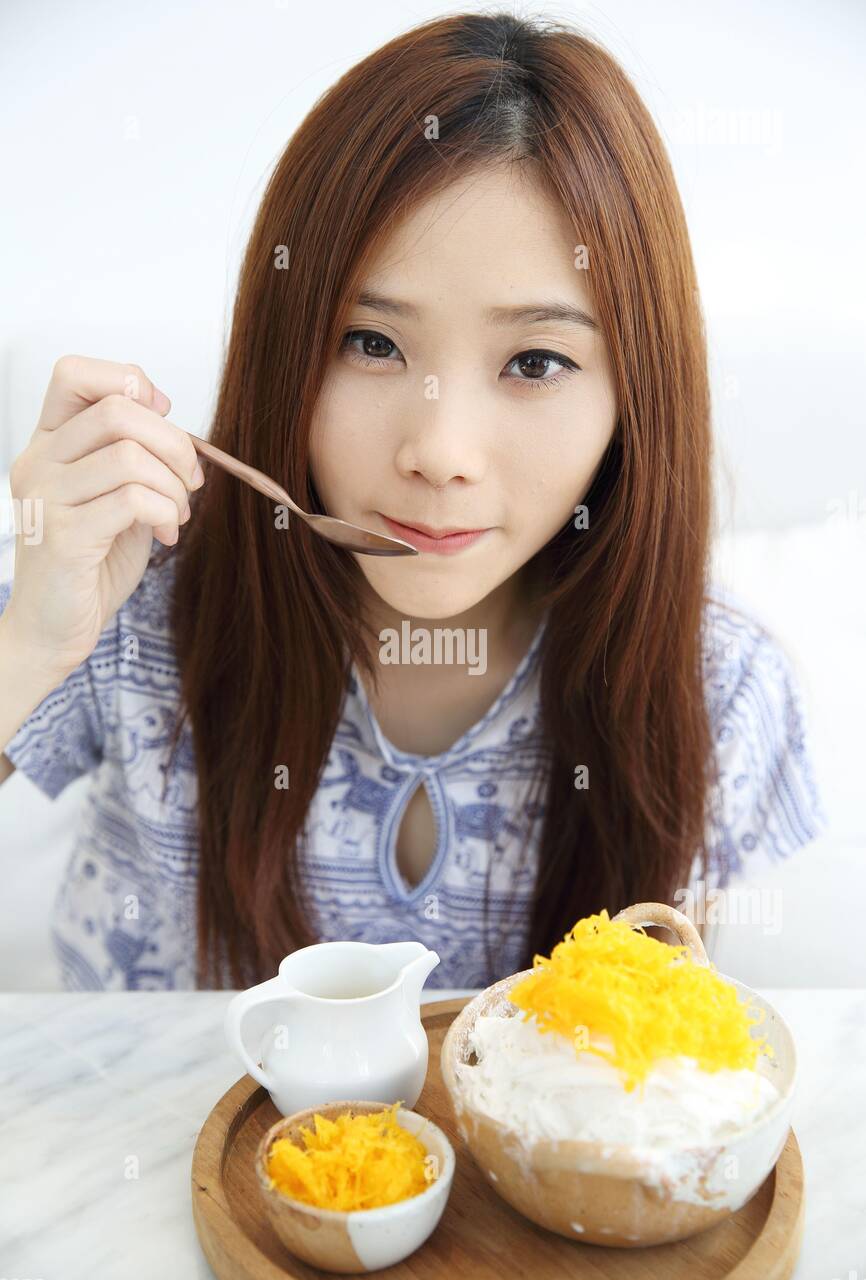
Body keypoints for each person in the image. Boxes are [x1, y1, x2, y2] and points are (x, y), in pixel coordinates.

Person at [0, 11, 824, 991]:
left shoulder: (717, 697)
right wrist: (32, 641)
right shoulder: (127, 609)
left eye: (535, 360)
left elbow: (647, 1079)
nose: (438, 452)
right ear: (289, 342)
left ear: (632, 396)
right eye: (372, 343)